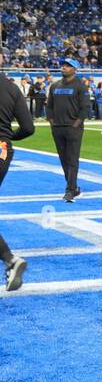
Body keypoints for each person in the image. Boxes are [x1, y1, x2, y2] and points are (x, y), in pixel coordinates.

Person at [0, 61, 35, 290]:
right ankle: (10, 260)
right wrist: (7, 136)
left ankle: (10, 259)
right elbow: (28, 127)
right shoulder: (11, 88)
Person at [47, 57, 92, 202]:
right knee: (63, 159)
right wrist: (52, 122)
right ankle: (73, 186)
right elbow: (49, 106)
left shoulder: (80, 86)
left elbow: (85, 107)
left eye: (67, 65)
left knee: (72, 159)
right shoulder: (54, 86)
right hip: (57, 128)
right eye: (63, 65)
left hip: (73, 129)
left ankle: (70, 190)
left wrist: (76, 124)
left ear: (75, 69)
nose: (63, 67)